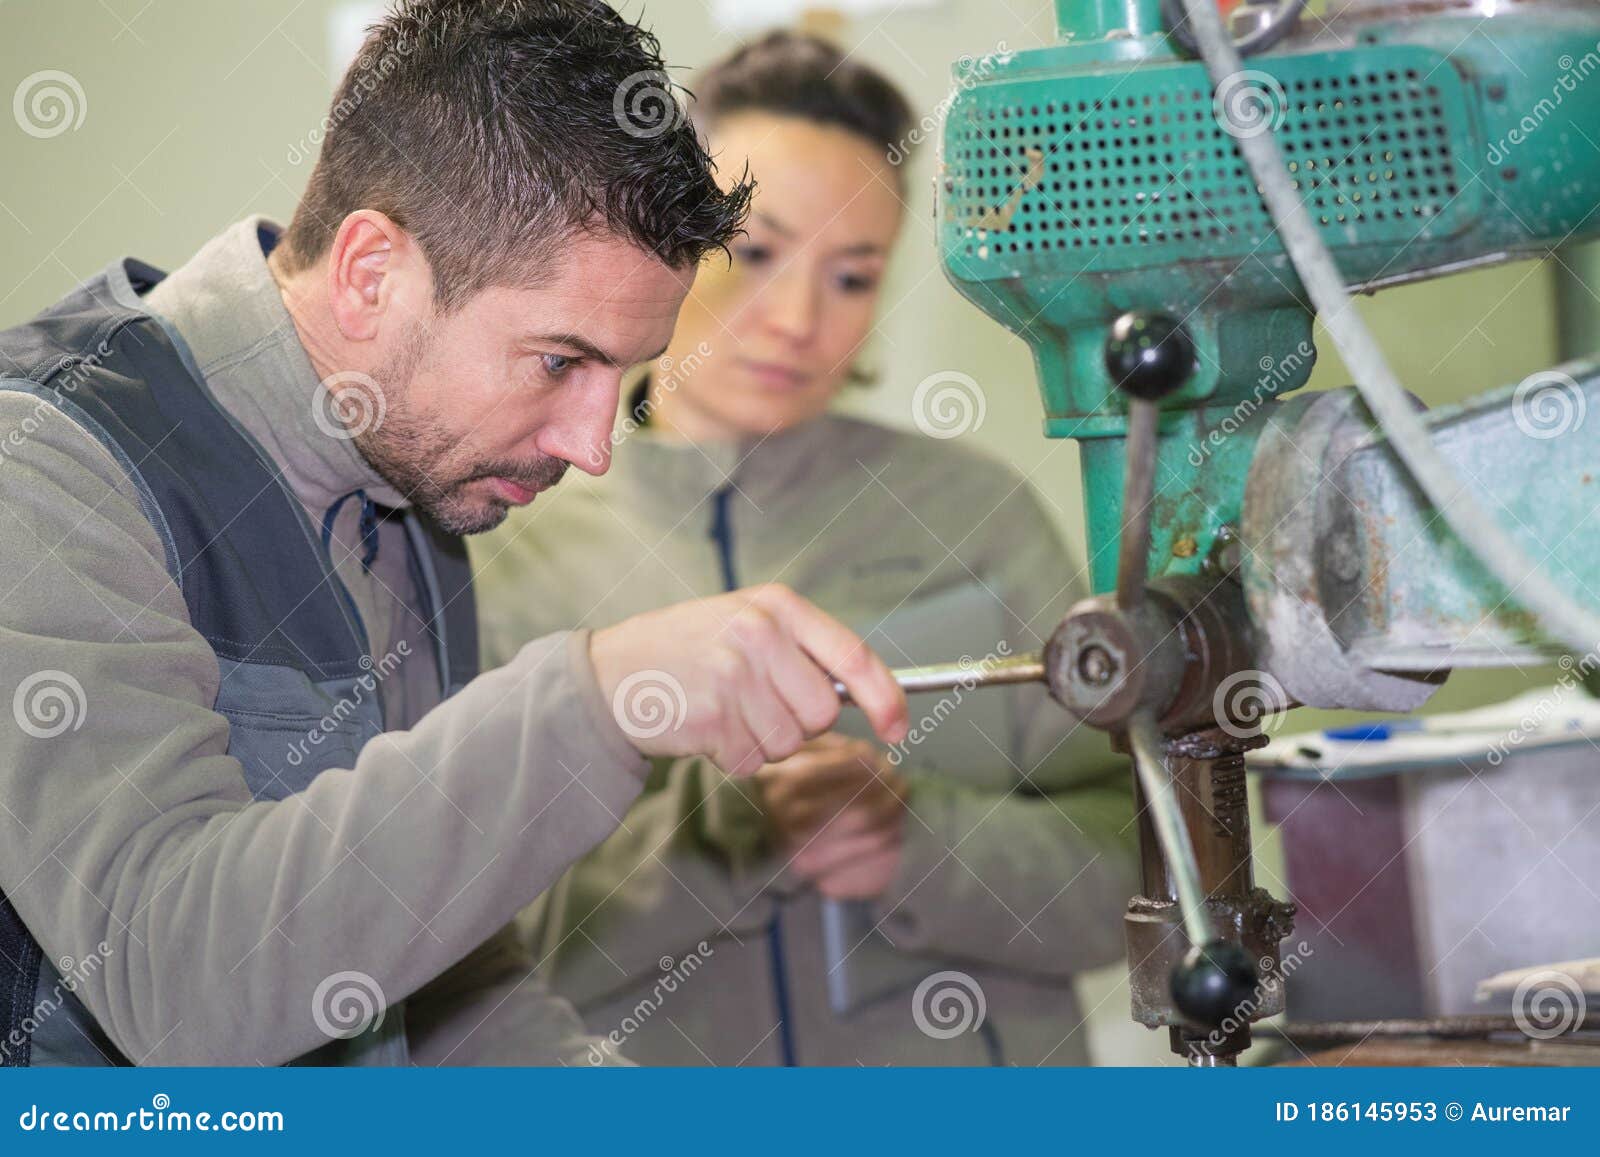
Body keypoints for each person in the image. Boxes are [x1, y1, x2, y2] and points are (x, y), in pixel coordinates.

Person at [0, 1, 911, 1068]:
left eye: (621, 374)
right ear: (370, 272)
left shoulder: (419, 485)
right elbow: (180, 983)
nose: (592, 445)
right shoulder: (44, 468)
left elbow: (438, 976)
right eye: (561, 361)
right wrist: (599, 699)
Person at [472, 31, 1137, 1067]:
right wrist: (715, 841)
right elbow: (453, 966)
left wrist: (920, 843)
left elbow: (1140, 874)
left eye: (852, 275)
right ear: (667, 236)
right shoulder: (509, 552)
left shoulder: (974, 517)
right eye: (756, 251)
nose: (796, 320)